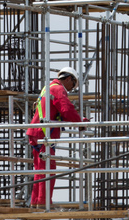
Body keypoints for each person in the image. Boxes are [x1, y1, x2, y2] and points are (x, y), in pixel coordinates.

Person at [25, 67, 88, 206]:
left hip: (38, 132)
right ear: (68, 78)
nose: (71, 89)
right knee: (48, 168)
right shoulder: (58, 89)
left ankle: (36, 202)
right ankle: (43, 203)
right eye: (73, 84)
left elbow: (58, 112)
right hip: (44, 134)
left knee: (40, 169)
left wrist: (78, 119)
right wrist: (80, 123)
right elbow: (66, 109)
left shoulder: (47, 88)